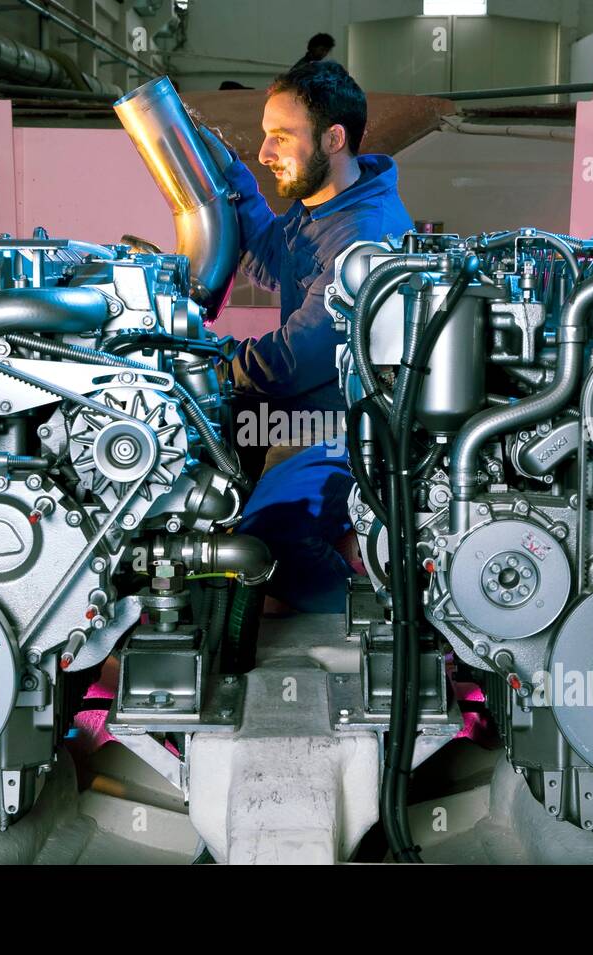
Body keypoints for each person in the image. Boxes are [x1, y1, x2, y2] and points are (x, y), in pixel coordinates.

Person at [199, 60, 413, 614]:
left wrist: (206, 366)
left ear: (334, 137)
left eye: (280, 138)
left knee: (270, 539)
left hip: (346, 424)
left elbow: (296, 359)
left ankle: (378, 625)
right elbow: (275, 260)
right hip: (308, 412)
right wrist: (231, 180)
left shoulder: (363, 233)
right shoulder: (325, 206)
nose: (266, 154)